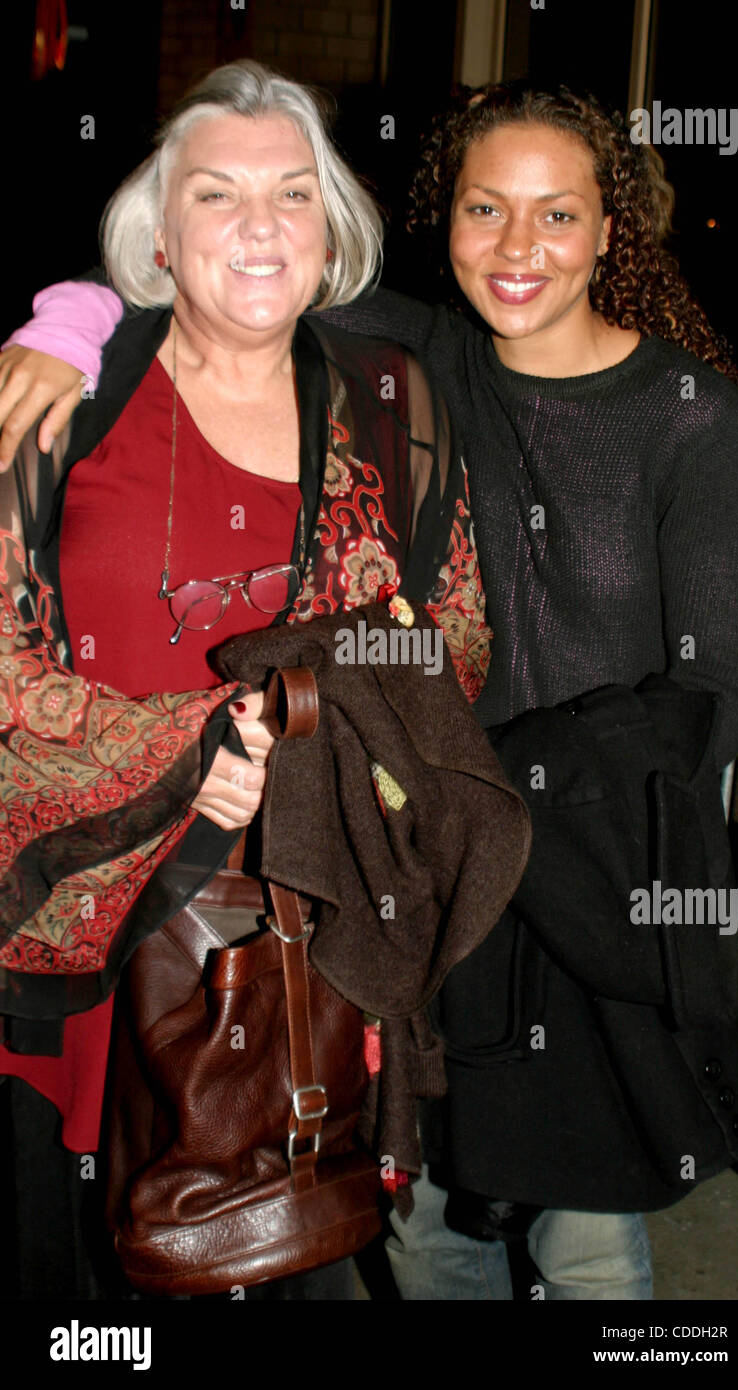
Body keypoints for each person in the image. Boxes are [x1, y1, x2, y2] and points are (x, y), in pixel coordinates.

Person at [2, 80, 738, 1302]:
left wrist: (488, 773)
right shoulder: (425, 358)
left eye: (557, 215)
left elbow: (714, 696)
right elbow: (233, 266)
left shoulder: (695, 423)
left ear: (607, 231)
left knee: (583, 1237)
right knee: (417, 1219)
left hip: (573, 869)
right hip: (413, 868)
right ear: (446, 221)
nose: (518, 249)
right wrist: (70, 314)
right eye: (485, 210)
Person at [0, 60, 493, 1300]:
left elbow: (452, 640)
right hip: (81, 924)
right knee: (74, 1279)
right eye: (217, 195)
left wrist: (300, 735)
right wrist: (183, 756)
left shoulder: (395, 404)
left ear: (329, 233)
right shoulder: (66, 397)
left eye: (293, 192)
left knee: (276, 1251)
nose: (261, 225)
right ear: (158, 239)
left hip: (295, 931)